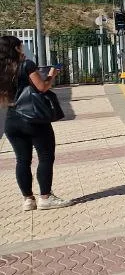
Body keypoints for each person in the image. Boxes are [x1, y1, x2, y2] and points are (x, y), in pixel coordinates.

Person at [1, 35, 68, 211]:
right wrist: (51, 75)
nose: (22, 49)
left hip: (10, 120)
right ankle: (45, 197)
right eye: (20, 46)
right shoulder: (26, 65)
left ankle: (28, 200)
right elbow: (42, 87)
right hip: (33, 118)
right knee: (45, 156)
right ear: (16, 48)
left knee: (22, 160)